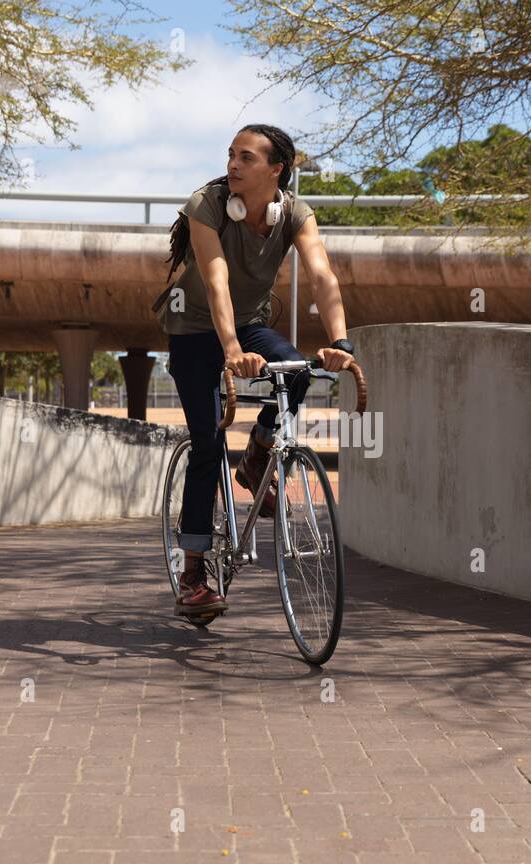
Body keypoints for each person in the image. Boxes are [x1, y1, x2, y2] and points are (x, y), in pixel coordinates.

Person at [154, 124, 356, 617]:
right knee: (207, 446)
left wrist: (340, 343)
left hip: (248, 325)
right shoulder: (207, 205)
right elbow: (216, 279)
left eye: (246, 157)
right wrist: (230, 349)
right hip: (194, 331)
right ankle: (193, 574)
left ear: (276, 169)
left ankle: (257, 457)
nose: (233, 164)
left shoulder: (294, 213)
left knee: (298, 371)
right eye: (231, 155)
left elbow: (322, 273)